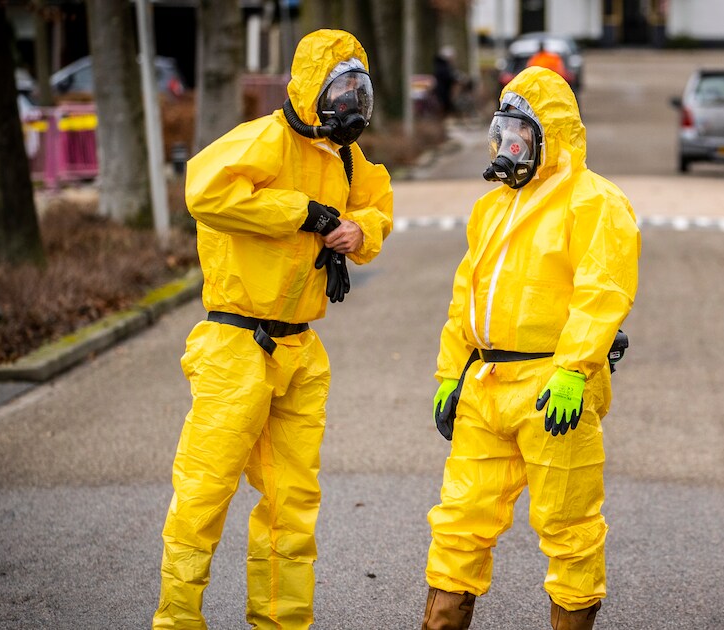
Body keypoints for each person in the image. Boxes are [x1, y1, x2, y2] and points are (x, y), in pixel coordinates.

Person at [152, 29, 392, 629]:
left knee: (292, 505)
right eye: (341, 93)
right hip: (236, 342)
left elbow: (378, 203)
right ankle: (177, 622)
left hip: (299, 348)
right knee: (205, 494)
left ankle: (282, 623)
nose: (352, 108)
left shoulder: (344, 158)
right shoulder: (264, 141)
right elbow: (204, 191)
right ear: (313, 91)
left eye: (358, 94)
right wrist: (301, 213)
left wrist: (359, 231)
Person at [421, 66, 640, 630]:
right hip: (485, 386)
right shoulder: (492, 208)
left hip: (552, 392)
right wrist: (451, 374)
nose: (506, 145)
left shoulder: (594, 203)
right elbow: (464, 296)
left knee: (568, 527)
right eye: (503, 131)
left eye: (520, 133)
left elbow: (602, 294)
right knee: (458, 524)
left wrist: (573, 370)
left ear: (551, 136)